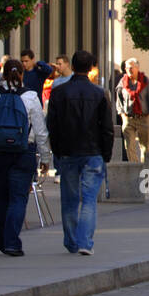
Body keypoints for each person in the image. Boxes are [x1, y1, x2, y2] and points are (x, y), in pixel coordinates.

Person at [0, 59, 51, 257]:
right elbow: (41, 131)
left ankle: (3, 239)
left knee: (2, 197)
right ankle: (11, 241)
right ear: (22, 75)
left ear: (2, 75)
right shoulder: (31, 97)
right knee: (18, 197)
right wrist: (44, 157)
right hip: (23, 152)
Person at [46, 49, 114, 255]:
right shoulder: (99, 93)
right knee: (89, 199)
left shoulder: (59, 93)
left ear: (72, 67)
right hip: (93, 152)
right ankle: (85, 241)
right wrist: (106, 153)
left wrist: (56, 150)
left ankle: (72, 240)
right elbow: (107, 128)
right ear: (91, 68)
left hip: (67, 151)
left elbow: (52, 125)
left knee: (69, 199)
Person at [115, 58, 149, 163]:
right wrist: (123, 117)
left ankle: (145, 169)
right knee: (129, 146)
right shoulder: (122, 83)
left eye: (131, 67)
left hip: (144, 117)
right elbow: (119, 101)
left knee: (145, 146)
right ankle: (135, 167)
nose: (129, 70)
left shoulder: (146, 82)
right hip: (129, 118)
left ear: (137, 68)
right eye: (127, 68)